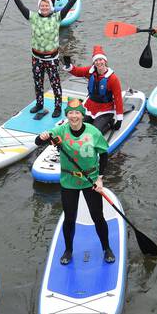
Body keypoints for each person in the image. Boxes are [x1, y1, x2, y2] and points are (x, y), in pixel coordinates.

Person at [35, 98, 114, 265]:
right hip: (69, 181)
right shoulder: (61, 130)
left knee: (97, 217)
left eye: (77, 112)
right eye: (70, 113)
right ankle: (68, 250)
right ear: (67, 115)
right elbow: (38, 142)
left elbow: (104, 154)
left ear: (82, 115)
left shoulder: (93, 132)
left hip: (90, 180)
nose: (74, 116)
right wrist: (42, 137)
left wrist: (100, 178)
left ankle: (106, 248)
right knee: (69, 218)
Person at [11, 0, 78, 117]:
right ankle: (39, 104)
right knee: (38, 82)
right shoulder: (33, 17)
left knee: (55, 83)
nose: (44, 7)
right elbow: (22, 7)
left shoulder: (57, 17)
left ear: (50, 6)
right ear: (39, 7)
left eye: (46, 5)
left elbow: (68, 6)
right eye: (42, 5)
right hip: (36, 58)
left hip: (51, 58)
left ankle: (57, 107)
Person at [64, 46, 123, 136]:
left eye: (101, 60)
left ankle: (109, 123)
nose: (98, 62)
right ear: (94, 62)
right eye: (96, 60)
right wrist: (69, 66)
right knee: (76, 126)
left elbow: (118, 99)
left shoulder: (113, 78)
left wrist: (119, 119)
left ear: (105, 61)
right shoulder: (90, 71)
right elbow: (77, 71)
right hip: (90, 107)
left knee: (94, 133)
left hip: (105, 110)